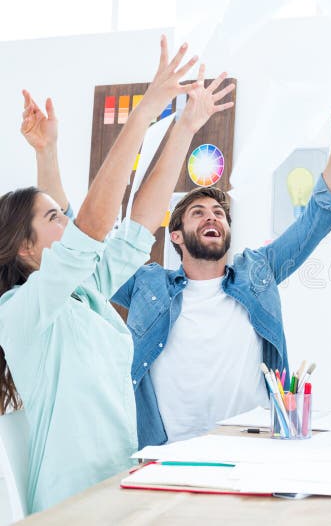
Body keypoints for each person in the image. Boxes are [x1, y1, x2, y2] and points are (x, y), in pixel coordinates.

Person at [0, 36, 232, 512]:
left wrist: (185, 127)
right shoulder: (19, 312)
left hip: (118, 489)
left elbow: (139, 224)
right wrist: (145, 113)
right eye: (53, 219)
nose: (66, 217)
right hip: (69, 508)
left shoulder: (85, 293)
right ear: (24, 248)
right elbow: (90, 225)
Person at [111, 73, 331, 447]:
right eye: (198, 213)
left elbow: (320, 213)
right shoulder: (145, 284)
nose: (213, 216)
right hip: (164, 452)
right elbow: (84, 251)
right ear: (176, 235)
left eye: (218, 212)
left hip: (251, 449)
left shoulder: (258, 271)